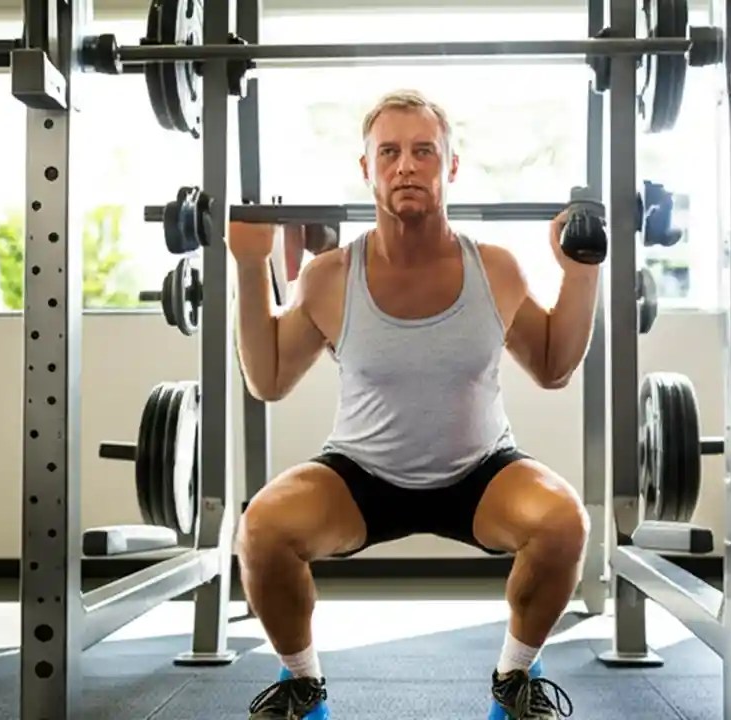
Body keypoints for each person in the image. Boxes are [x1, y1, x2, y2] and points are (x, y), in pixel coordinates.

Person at [228, 89, 600, 720]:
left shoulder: (496, 270)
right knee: (262, 531)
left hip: (481, 473)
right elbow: (267, 381)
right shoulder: (330, 276)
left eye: (423, 151)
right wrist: (248, 263)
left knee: (564, 522)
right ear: (367, 168)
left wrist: (581, 271)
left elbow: (553, 366)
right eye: (390, 152)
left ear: (449, 167)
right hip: (360, 475)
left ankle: (515, 682)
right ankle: (302, 688)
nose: (406, 166)